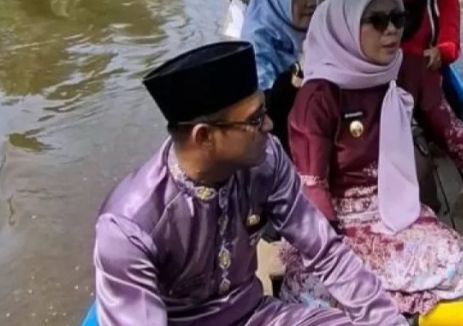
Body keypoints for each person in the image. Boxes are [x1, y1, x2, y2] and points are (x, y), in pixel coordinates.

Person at [93, 41, 409, 326]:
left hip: (256, 317)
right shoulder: (129, 226)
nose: (270, 126)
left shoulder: (265, 160)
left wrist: (385, 320)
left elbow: (325, 250)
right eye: (255, 120)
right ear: (205, 137)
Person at [280, 0, 463, 318]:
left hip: (395, 204)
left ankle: (376, 302)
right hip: (337, 218)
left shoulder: (408, 70)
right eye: (375, 21)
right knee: (322, 280)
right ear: (346, 27)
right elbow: (311, 185)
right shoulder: (320, 95)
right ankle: (385, 301)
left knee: (455, 259)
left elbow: (449, 129)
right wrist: (333, 252)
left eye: (396, 18)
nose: (390, 29)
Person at [241, 0, 319, 156]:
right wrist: (298, 74)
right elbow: (263, 118)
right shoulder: (255, 47)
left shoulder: (322, 35)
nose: (312, 2)